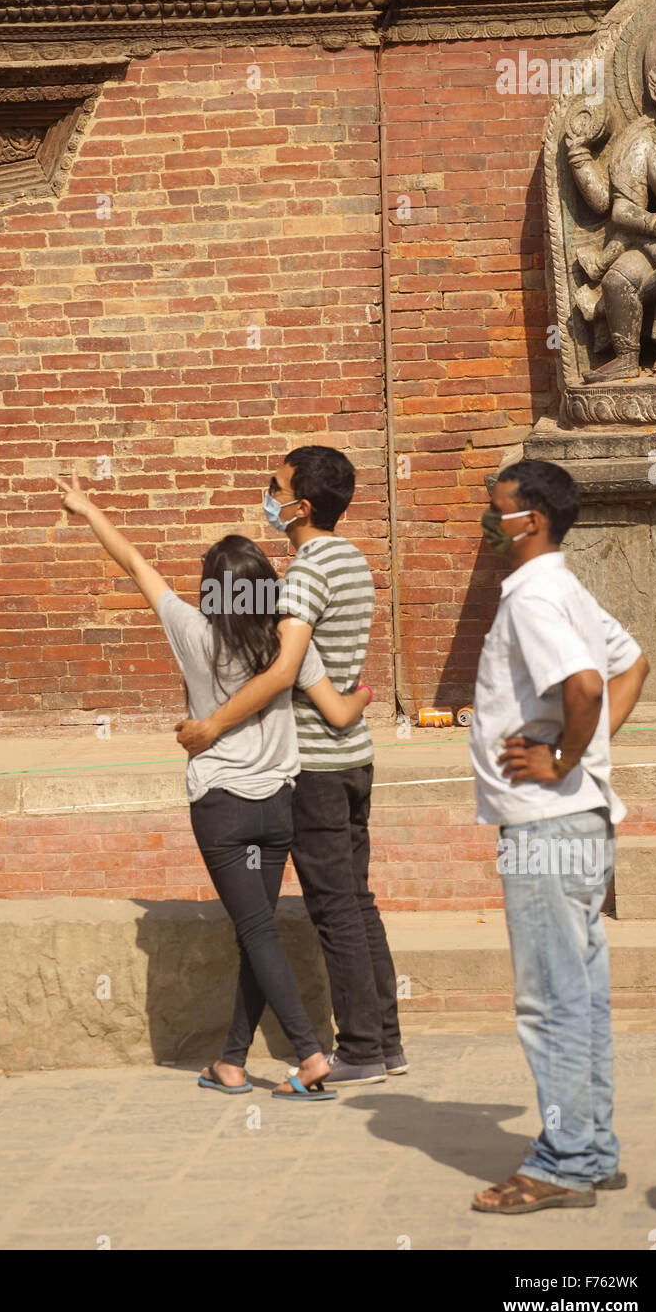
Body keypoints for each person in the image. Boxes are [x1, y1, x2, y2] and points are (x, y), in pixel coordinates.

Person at [52, 471, 373, 1101]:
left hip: (221, 809)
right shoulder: (288, 647)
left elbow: (136, 564)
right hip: (278, 806)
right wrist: (362, 694)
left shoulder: (193, 634)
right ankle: (230, 1062)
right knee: (256, 930)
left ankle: (309, 1054)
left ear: (211, 590)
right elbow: (337, 714)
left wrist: (87, 509)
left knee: (255, 930)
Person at [176, 446, 404, 1087]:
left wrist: (214, 725)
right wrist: (357, 701)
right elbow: (341, 684)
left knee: (333, 909)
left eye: (274, 487)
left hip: (318, 769)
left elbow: (285, 668)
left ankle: (358, 1049)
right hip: (353, 756)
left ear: (300, 505)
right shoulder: (354, 560)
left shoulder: (305, 573)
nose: (267, 496)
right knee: (358, 901)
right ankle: (385, 1041)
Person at [469, 459, 649, 1214]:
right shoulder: (565, 588)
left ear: (530, 519)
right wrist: (587, 760)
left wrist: (566, 757)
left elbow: (583, 683)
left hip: (546, 826)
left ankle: (566, 1161)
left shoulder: (533, 596)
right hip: (576, 821)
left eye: (496, 508)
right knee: (580, 997)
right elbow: (631, 663)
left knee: (549, 1000)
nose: (488, 521)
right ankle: (591, 1147)